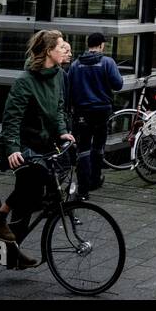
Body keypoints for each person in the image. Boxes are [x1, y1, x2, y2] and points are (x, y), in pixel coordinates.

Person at [0, 29, 75, 268]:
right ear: (49, 51)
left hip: (43, 144)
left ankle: (9, 251)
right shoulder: (25, 81)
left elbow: (58, 108)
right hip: (23, 145)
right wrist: (13, 149)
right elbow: (11, 119)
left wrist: (62, 131)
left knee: (29, 200)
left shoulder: (58, 75)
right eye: (61, 47)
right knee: (34, 181)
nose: (65, 51)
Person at [65, 32, 123, 202]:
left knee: (83, 150)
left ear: (87, 44)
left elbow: (69, 89)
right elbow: (118, 84)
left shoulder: (76, 65)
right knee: (98, 145)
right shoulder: (107, 62)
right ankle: (95, 179)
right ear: (101, 45)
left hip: (82, 113)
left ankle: (83, 190)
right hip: (102, 110)